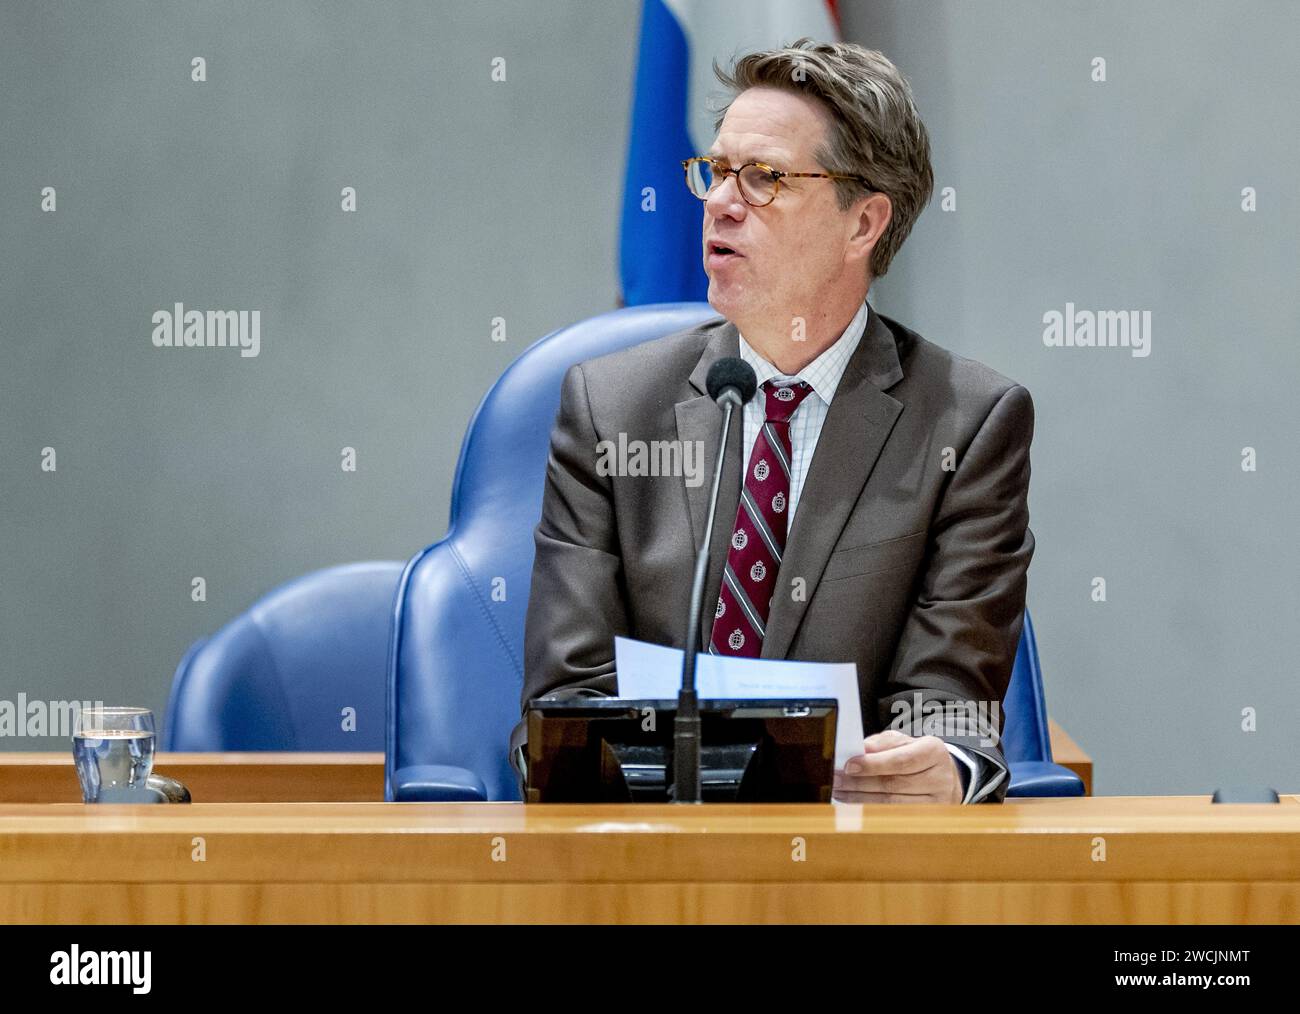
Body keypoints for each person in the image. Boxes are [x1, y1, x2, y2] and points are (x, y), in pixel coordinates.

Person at [511, 39, 1034, 804]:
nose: (722, 201)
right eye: (718, 171)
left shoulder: (967, 425)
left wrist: (943, 769)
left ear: (864, 224)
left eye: (765, 179)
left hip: (854, 869)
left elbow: (945, 706)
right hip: (643, 861)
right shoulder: (610, 410)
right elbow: (568, 697)